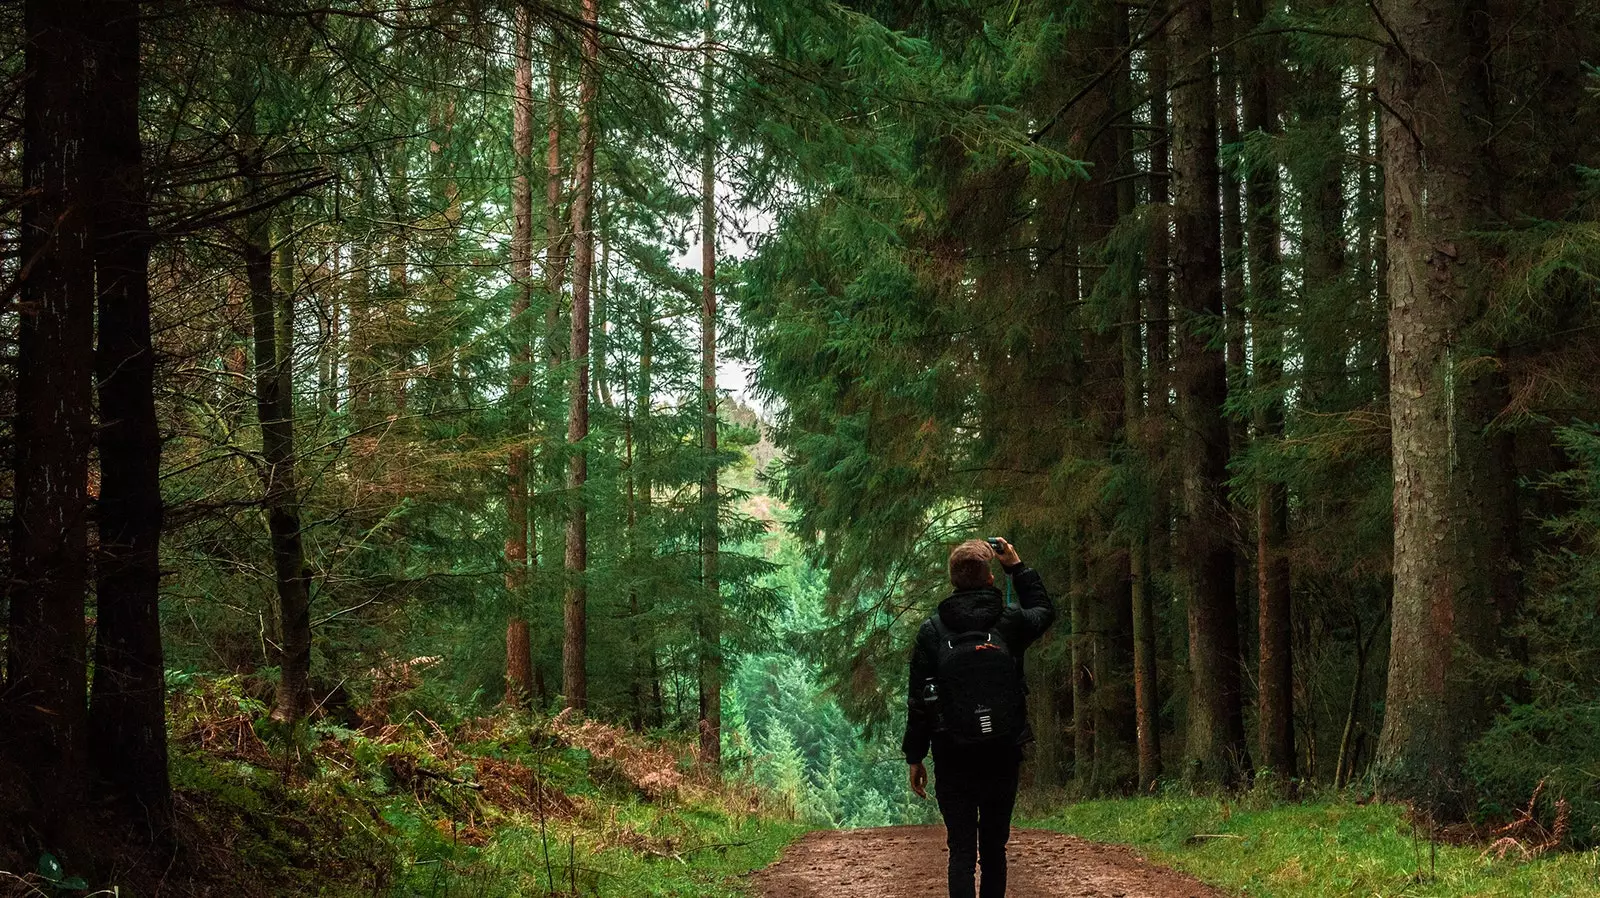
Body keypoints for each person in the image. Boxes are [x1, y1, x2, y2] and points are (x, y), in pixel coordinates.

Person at [902, 537, 1055, 898]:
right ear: (990, 579)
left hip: (952, 753)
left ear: (952, 582)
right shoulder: (1009, 621)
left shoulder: (933, 631)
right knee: (993, 851)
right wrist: (1016, 568)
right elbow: (1044, 611)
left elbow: (919, 700)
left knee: (961, 852)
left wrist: (915, 756)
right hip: (1003, 750)